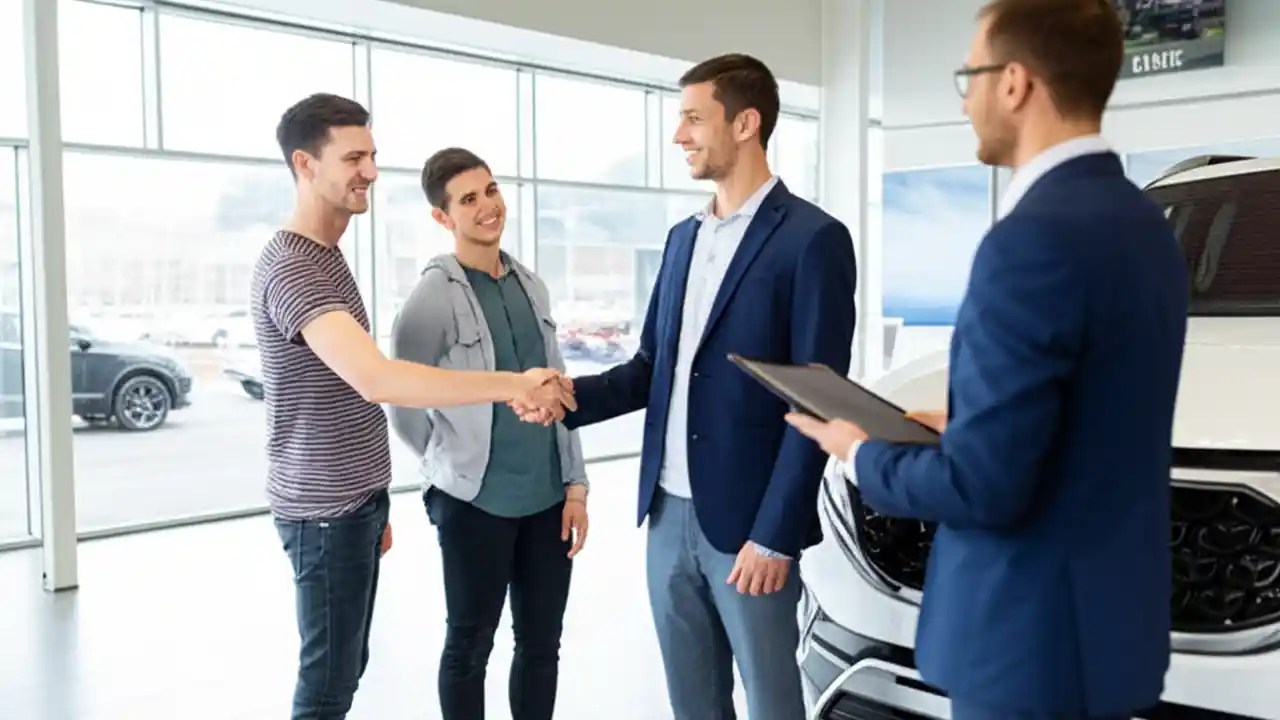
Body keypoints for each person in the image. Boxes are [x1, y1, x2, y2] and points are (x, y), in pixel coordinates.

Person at [785, 1, 1187, 718]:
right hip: (1108, 630)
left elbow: (982, 488)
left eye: (969, 75)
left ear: (1013, 83)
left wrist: (858, 450)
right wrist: (972, 417)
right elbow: (1094, 412)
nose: (966, 98)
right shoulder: (1144, 224)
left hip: (1026, 646)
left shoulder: (1030, 242)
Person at [524, 54, 857, 718]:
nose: (679, 135)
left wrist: (776, 535)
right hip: (666, 516)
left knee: (770, 703)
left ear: (746, 123)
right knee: (693, 704)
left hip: (749, 525)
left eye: (692, 117)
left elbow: (817, 399)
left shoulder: (813, 239)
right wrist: (568, 396)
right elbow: (653, 368)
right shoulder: (683, 239)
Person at [256, 94, 575, 720]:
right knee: (327, 687)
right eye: (354, 157)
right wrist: (508, 386)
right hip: (324, 512)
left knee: (344, 674)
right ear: (304, 164)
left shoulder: (325, 256)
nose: (371, 171)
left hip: (351, 507)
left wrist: (373, 505)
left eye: (372, 156)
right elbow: (377, 380)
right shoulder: (295, 267)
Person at [387, 147, 589, 720]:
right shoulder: (433, 296)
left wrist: (575, 487)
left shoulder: (532, 285)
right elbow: (403, 395)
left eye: (491, 191)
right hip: (475, 503)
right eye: (468, 199)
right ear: (442, 217)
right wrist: (442, 465)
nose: (487, 207)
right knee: (469, 646)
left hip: (547, 500)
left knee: (542, 646)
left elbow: (560, 390)